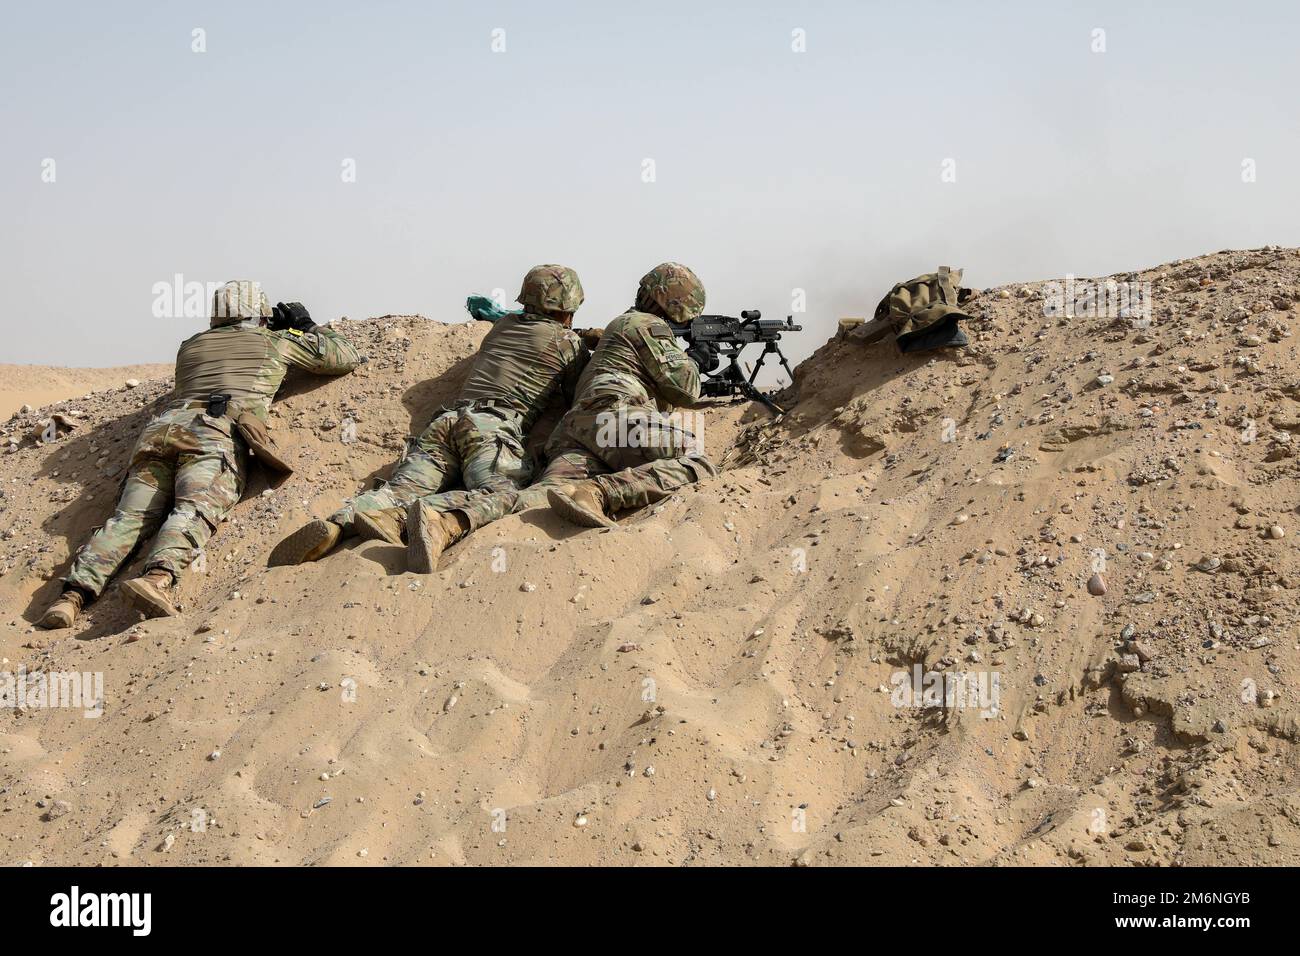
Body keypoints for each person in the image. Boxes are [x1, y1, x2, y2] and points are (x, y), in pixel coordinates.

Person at [38, 281, 361, 627]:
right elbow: (345, 357)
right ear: (260, 316)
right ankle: (156, 579)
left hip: (159, 434)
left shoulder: (189, 346)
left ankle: (70, 598)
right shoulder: (275, 342)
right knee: (194, 508)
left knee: (128, 517)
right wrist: (306, 325)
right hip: (212, 434)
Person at [405, 261, 718, 572]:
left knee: (540, 498)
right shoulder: (645, 324)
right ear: (678, 305)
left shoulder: (619, 328)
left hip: (576, 428)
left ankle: (445, 519)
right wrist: (696, 359)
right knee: (697, 461)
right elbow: (687, 389)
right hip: (616, 416)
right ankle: (601, 493)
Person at [270, 264, 589, 565]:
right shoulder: (567, 342)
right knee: (501, 494)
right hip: (491, 430)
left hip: (445, 423)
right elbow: (576, 393)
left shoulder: (503, 326)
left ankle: (338, 524)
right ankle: (431, 510)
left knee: (396, 491)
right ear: (567, 309)